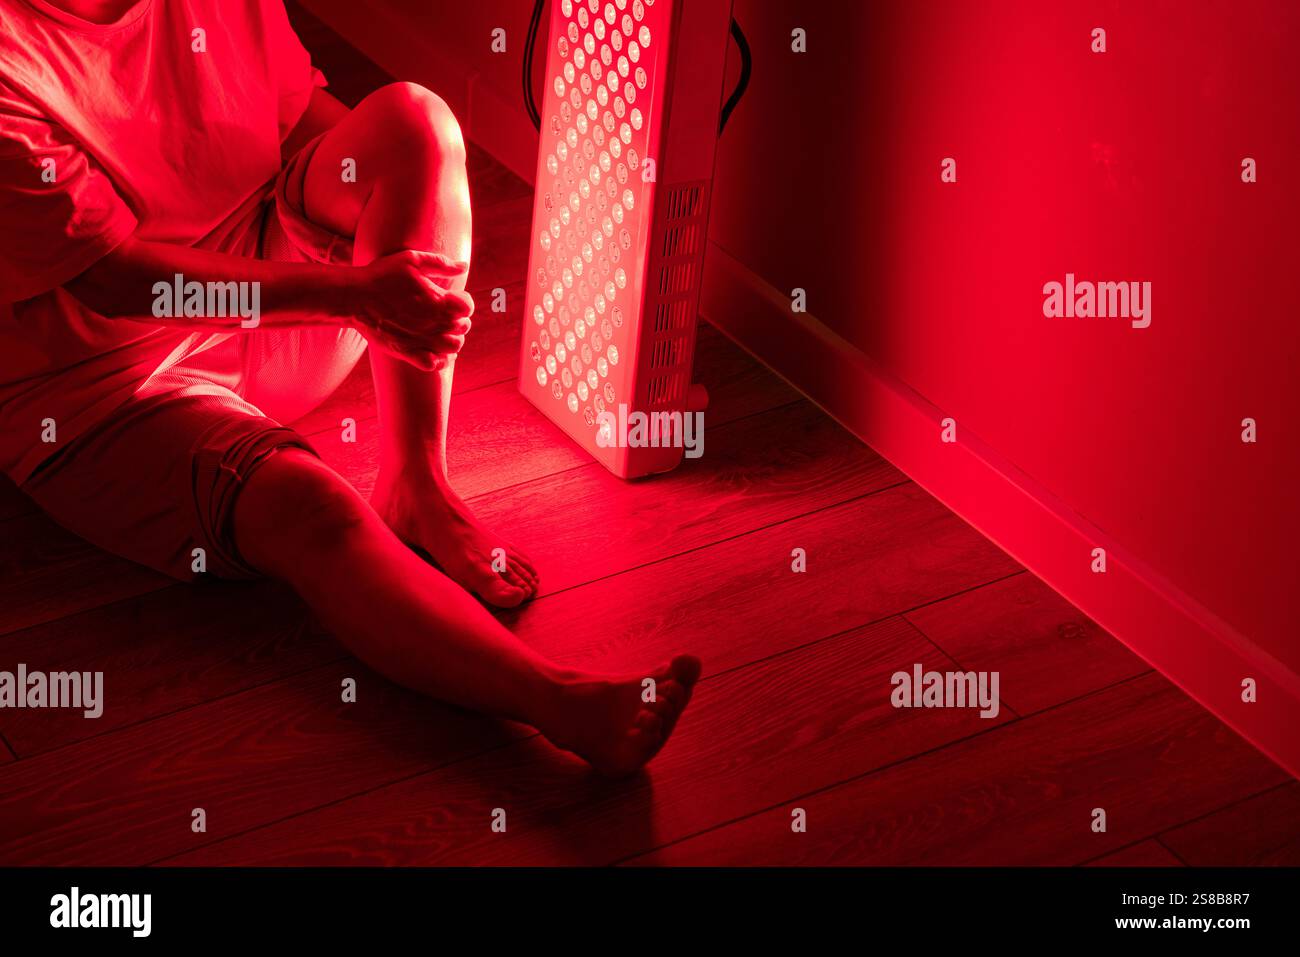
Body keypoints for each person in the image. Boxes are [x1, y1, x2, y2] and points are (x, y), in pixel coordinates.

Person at [0, 0, 698, 776]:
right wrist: (354, 295)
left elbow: (304, 124)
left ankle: (415, 479)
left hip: (262, 284)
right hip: (105, 387)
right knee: (316, 509)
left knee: (415, 120)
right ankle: (555, 698)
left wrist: (393, 198)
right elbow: (120, 282)